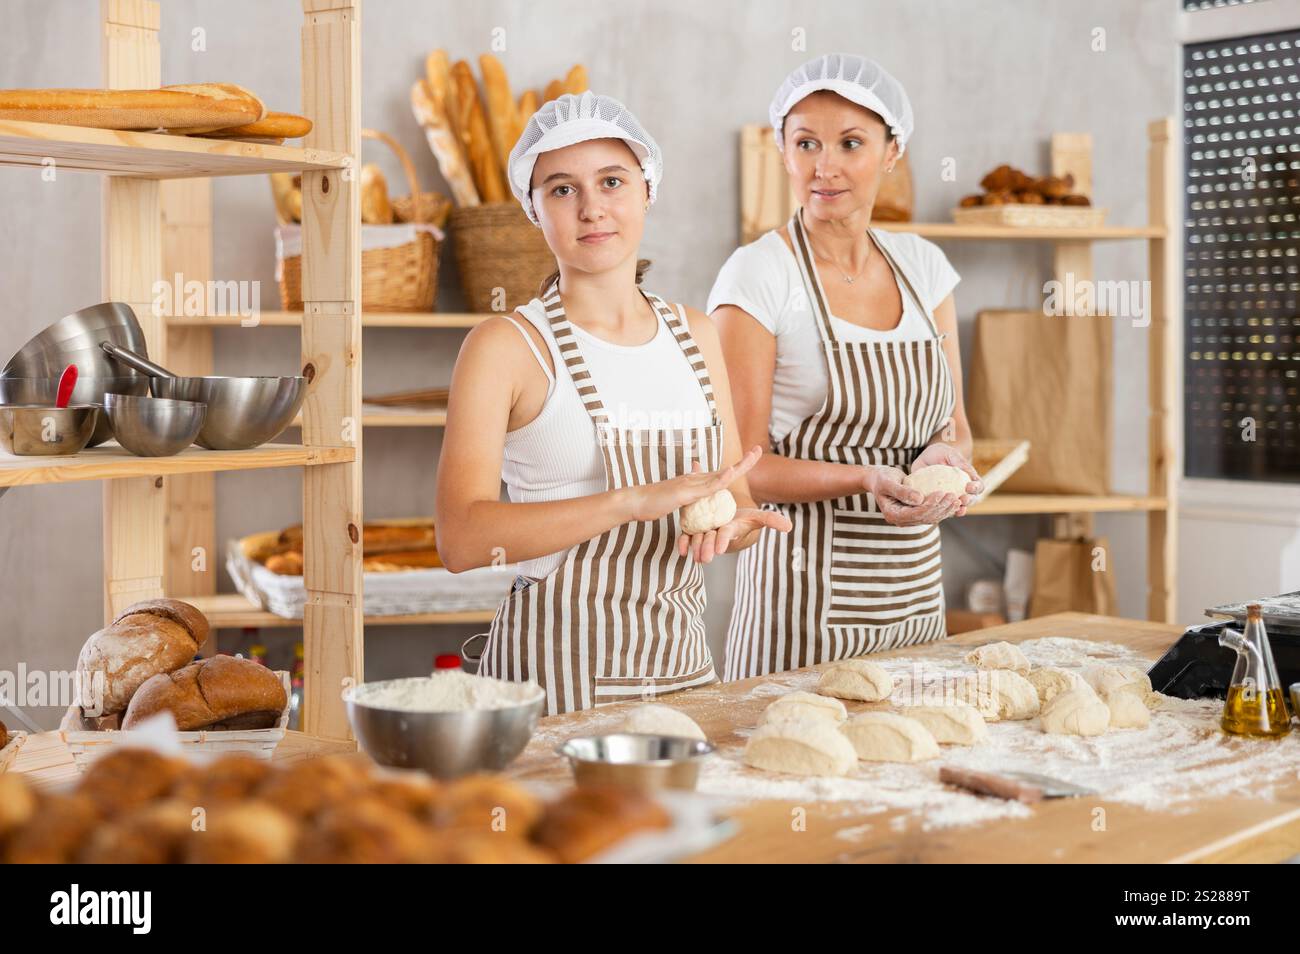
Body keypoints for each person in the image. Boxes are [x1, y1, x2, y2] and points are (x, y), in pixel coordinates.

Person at [436, 92, 791, 714]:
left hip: (686, 674)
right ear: (534, 209)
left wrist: (733, 531)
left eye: (612, 181)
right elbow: (462, 539)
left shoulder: (697, 333)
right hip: (551, 682)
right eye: (562, 190)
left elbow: (732, 493)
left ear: (647, 190)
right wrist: (633, 501)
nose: (592, 208)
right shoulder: (506, 346)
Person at [709, 54, 984, 679]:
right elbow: (741, 467)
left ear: (893, 153)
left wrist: (945, 459)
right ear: (783, 150)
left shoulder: (925, 269)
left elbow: (955, 425)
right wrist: (866, 479)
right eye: (805, 142)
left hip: (915, 605)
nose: (823, 166)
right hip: (798, 614)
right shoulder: (759, 274)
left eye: (850, 143)